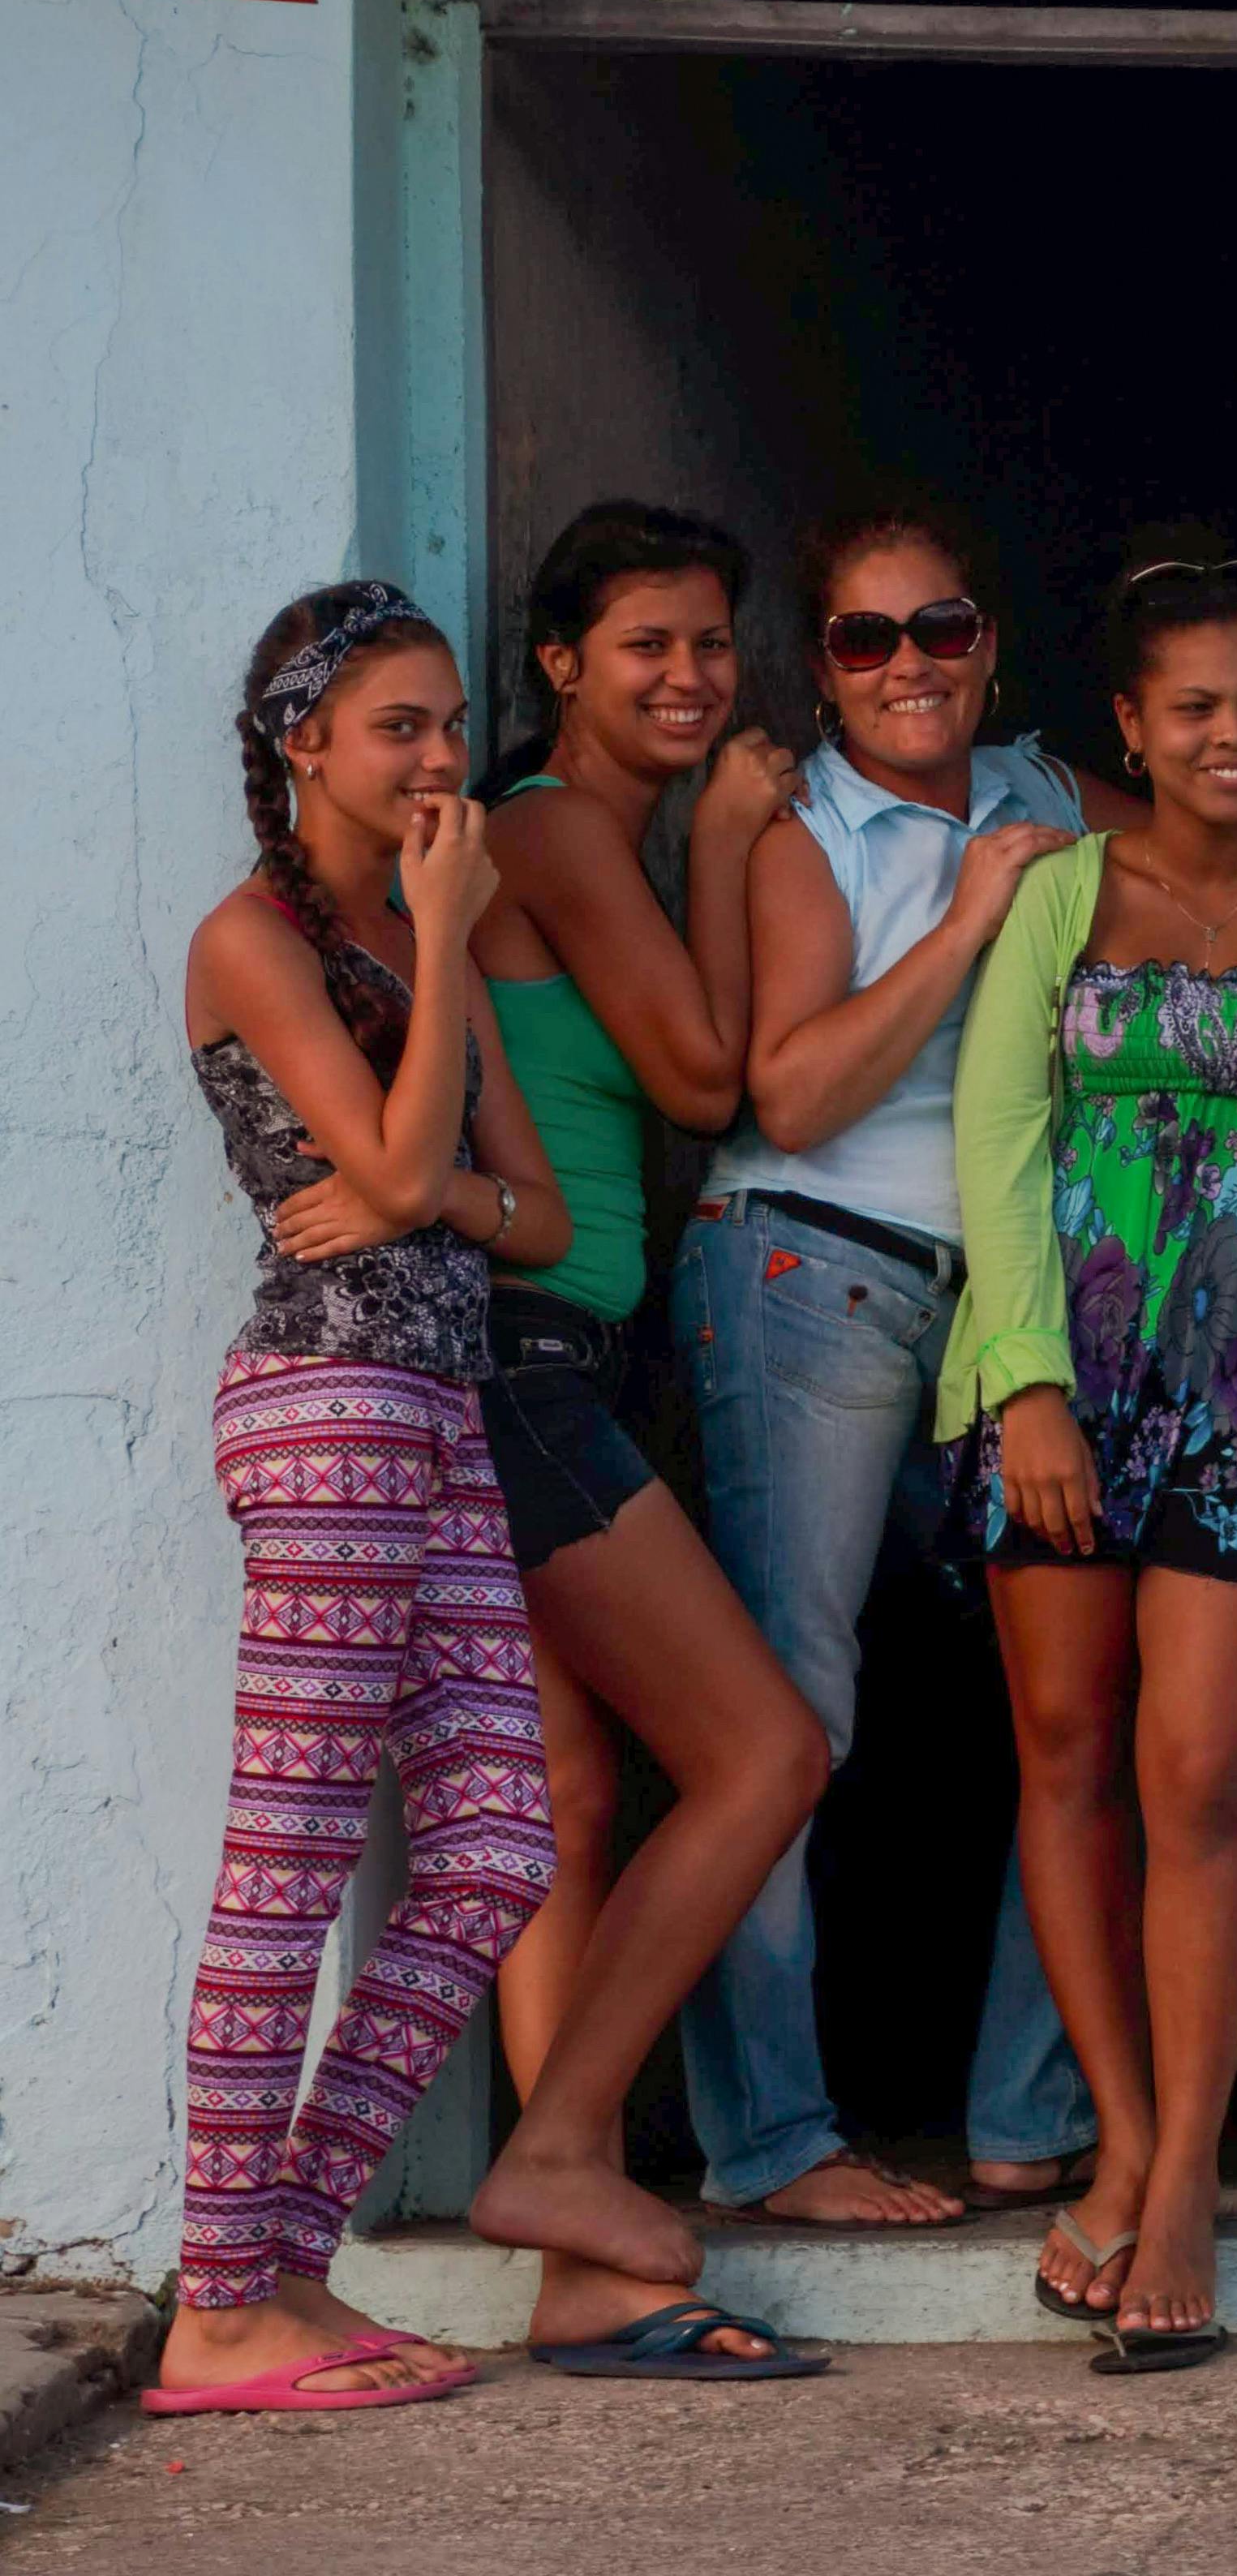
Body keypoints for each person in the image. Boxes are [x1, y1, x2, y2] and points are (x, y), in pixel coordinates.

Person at [674, 505, 1237, 2231]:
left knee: (1110, 1729)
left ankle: (1042, 2126)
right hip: (820, 1274)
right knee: (798, 1713)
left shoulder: (1054, 801)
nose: (909, 664)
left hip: (1029, 1305)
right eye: (864, 639)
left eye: (941, 629)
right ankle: (774, 2137)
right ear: (821, 672)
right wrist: (974, 924)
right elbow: (800, 1095)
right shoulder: (804, 826)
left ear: (991, 647)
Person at [939, 553, 1237, 2371]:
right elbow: (997, 1128)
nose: (1228, 735)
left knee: (1203, 1775)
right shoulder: (1065, 895)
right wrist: (1026, 1382)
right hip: (1066, 1381)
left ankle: (1186, 2172)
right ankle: (1117, 2133)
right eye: (1192, 707)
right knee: (1068, 1763)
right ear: (1128, 725)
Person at [156, 582, 571, 2414]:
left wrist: (436, 1174)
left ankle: (286, 2268)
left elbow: (526, 1214)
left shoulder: (418, 938)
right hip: (324, 1405)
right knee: (293, 1859)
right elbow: (403, 1156)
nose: (435, 760)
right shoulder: (252, 940)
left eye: (450, 724)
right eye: (396, 726)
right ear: (300, 741)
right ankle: (216, 2302)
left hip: (440, 1405)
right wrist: (429, 1154)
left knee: (495, 1848)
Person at [466, 500, 841, 2376]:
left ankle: (580, 2273)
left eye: (711, 645)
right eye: (647, 649)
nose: (691, 678)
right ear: (561, 668)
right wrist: (734, 842)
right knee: (764, 1750)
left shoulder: (582, 830)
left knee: (572, 1810)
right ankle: (551, 2160)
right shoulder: (553, 828)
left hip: (570, 1356)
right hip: (521, 1366)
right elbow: (703, 1079)